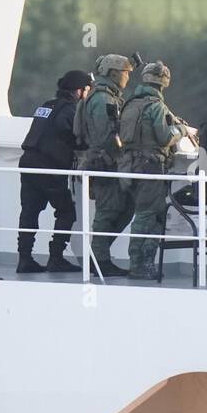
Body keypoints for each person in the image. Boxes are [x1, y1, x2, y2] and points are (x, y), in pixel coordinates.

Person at [120, 61, 190, 281]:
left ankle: (141, 264)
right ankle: (139, 265)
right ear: (163, 84)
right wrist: (181, 129)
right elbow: (165, 137)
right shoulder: (156, 106)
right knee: (148, 216)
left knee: (145, 215)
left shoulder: (131, 104)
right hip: (150, 167)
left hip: (132, 165)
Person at [17, 69, 92, 274]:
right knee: (66, 212)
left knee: (29, 212)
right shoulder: (71, 111)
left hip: (28, 163)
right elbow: (79, 139)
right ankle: (56, 258)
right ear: (79, 91)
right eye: (87, 89)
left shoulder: (46, 106)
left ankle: (24, 259)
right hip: (49, 167)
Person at [73, 54, 134, 277]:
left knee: (124, 209)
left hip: (110, 162)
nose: (128, 76)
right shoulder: (102, 100)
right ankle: (98, 260)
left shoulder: (109, 96)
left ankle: (99, 255)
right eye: (125, 72)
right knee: (107, 211)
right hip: (104, 162)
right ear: (113, 73)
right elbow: (105, 135)